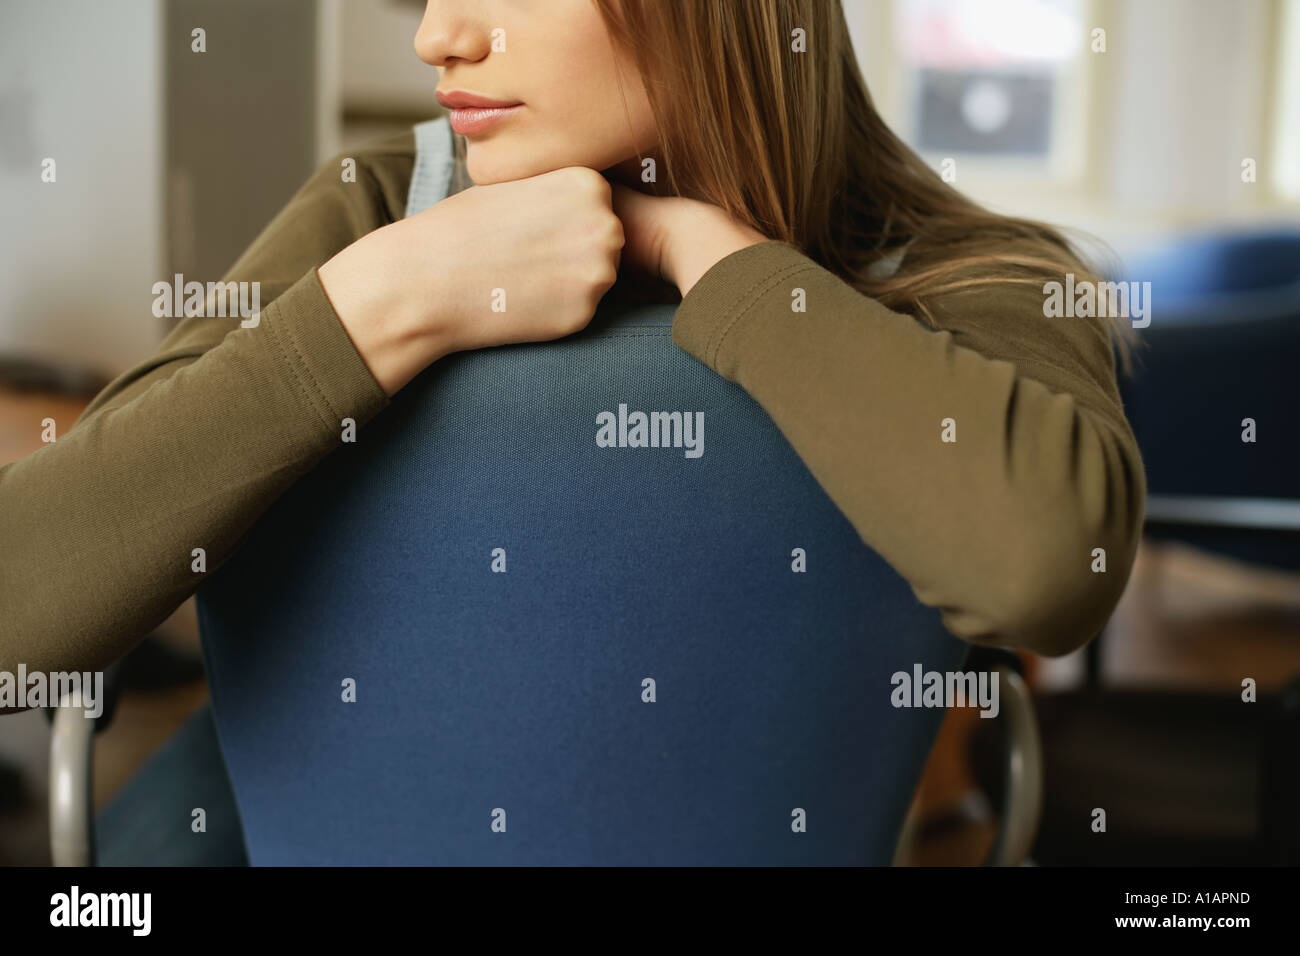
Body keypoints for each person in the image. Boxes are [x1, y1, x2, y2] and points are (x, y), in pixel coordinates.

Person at [0, 0, 1145, 702]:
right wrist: (387, 299)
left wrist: (704, 250)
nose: (436, 34)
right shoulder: (373, 210)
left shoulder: (984, 275)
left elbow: (1047, 568)